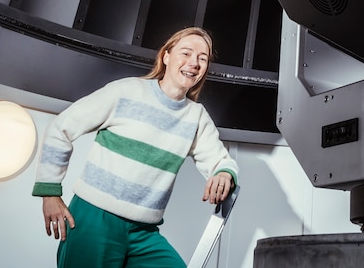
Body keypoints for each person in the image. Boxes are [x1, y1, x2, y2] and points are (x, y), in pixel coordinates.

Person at [32, 27, 238, 268]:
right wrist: (50, 193)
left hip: (144, 232)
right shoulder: (126, 91)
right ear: (166, 56)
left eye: (202, 59)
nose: (194, 63)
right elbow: (61, 128)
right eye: (186, 53)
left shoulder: (197, 117)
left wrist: (223, 172)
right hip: (93, 219)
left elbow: (221, 161)